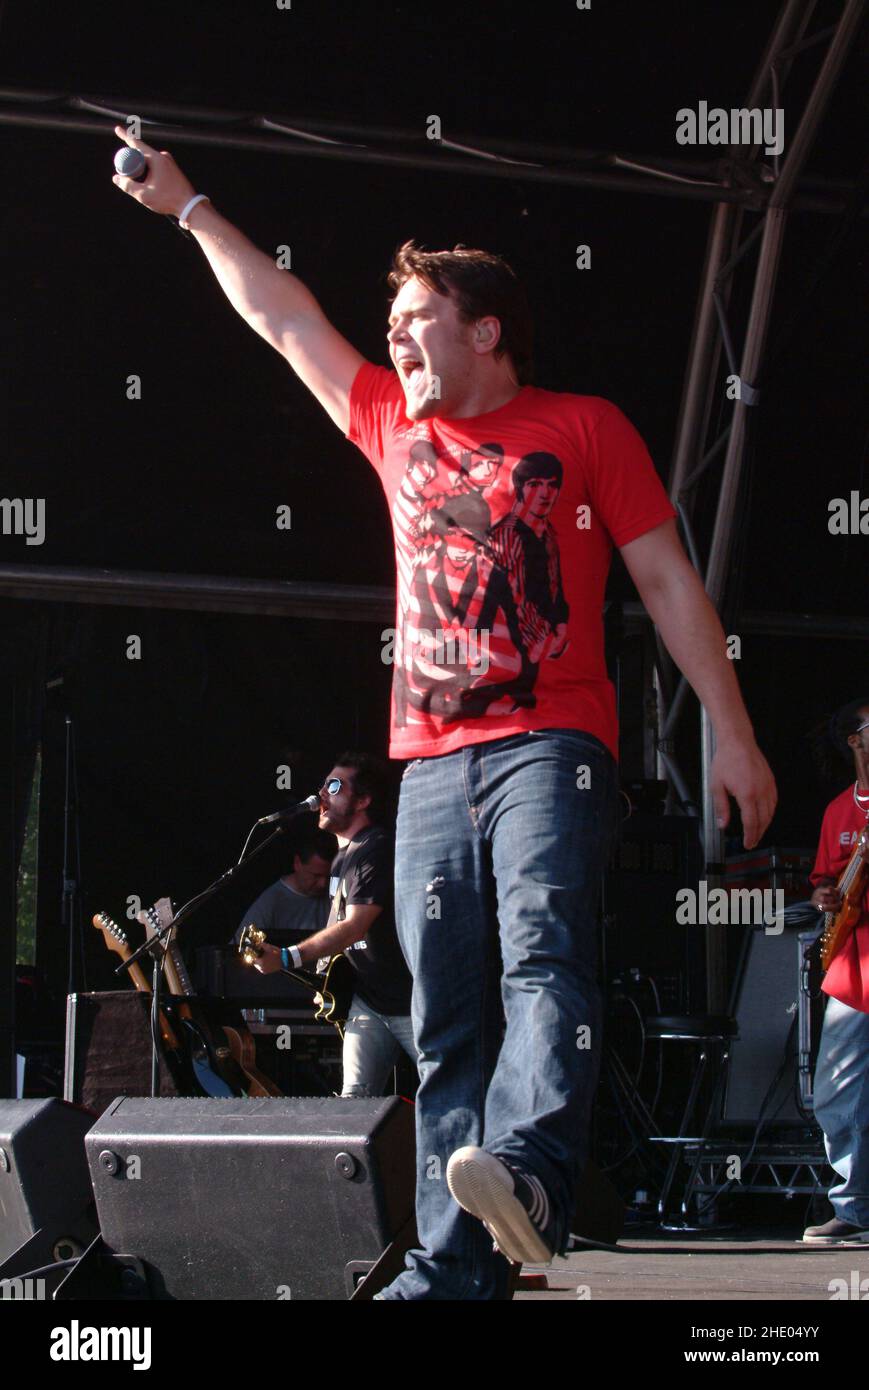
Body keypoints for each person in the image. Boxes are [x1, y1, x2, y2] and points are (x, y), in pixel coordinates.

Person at [112, 131, 777, 1299]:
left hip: (549, 745)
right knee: (446, 1010)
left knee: (543, 956)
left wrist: (728, 723)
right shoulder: (389, 424)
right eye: (392, 323)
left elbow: (670, 583)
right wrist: (190, 207)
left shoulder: (584, 429)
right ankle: (451, 1261)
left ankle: (524, 1173)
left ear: (485, 331)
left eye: (417, 317)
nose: (394, 337)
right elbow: (282, 318)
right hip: (426, 764)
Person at [253, 753, 415, 1099]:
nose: (321, 795)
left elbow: (356, 926)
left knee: (447, 1088)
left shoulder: (377, 848)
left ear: (364, 800)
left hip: (410, 1001)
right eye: (323, 785)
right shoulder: (343, 856)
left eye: (335, 786)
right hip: (369, 1001)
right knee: (354, 1100)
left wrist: (287, 958)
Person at [803, 698, 869, 1245]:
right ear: (855, 741)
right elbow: (823, 884)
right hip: (854, 966)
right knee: (836, 1090)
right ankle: (854, 1210)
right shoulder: (838, 812)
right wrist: (825, 894)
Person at [233, 827, 336, 948]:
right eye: (316, 876)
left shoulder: (334, 894)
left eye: (328, 876)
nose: (323, 883)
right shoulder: (271, 901)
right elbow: (241, 947)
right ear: (297, 863)